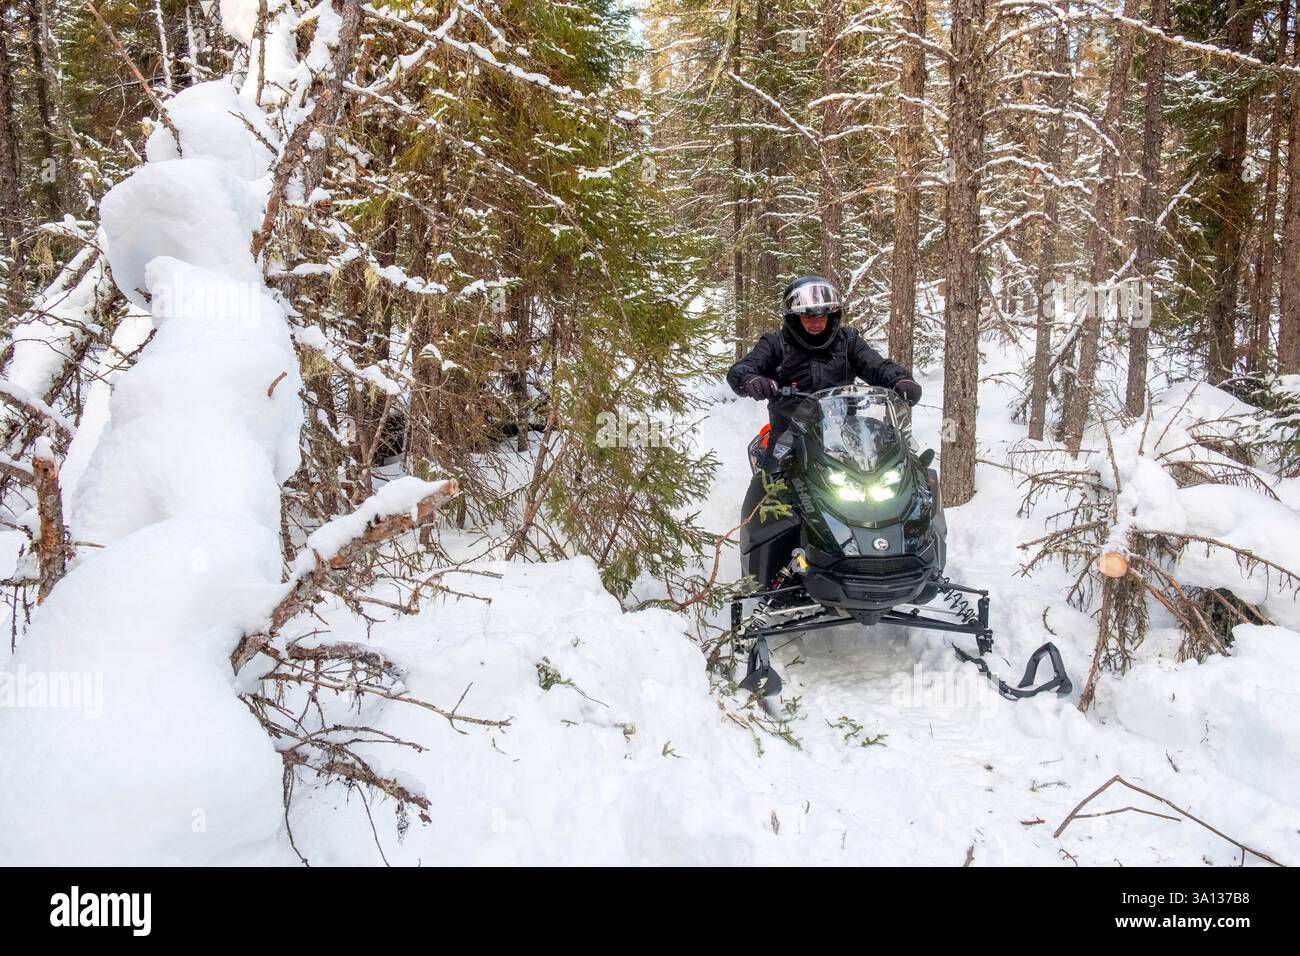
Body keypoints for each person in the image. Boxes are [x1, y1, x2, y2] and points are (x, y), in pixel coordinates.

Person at [727, 276, 922, 460]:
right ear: (794, 317)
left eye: (822, 316)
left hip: (844, 433)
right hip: (791, 434)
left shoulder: (849, 341)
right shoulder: (776, 343)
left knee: (892, 470)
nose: (817, 323)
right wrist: (750, 380)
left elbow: (877, 366)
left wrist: (900, 380)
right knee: (768, 483)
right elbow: (742, 368)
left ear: (833, 315)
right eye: (808, 317)